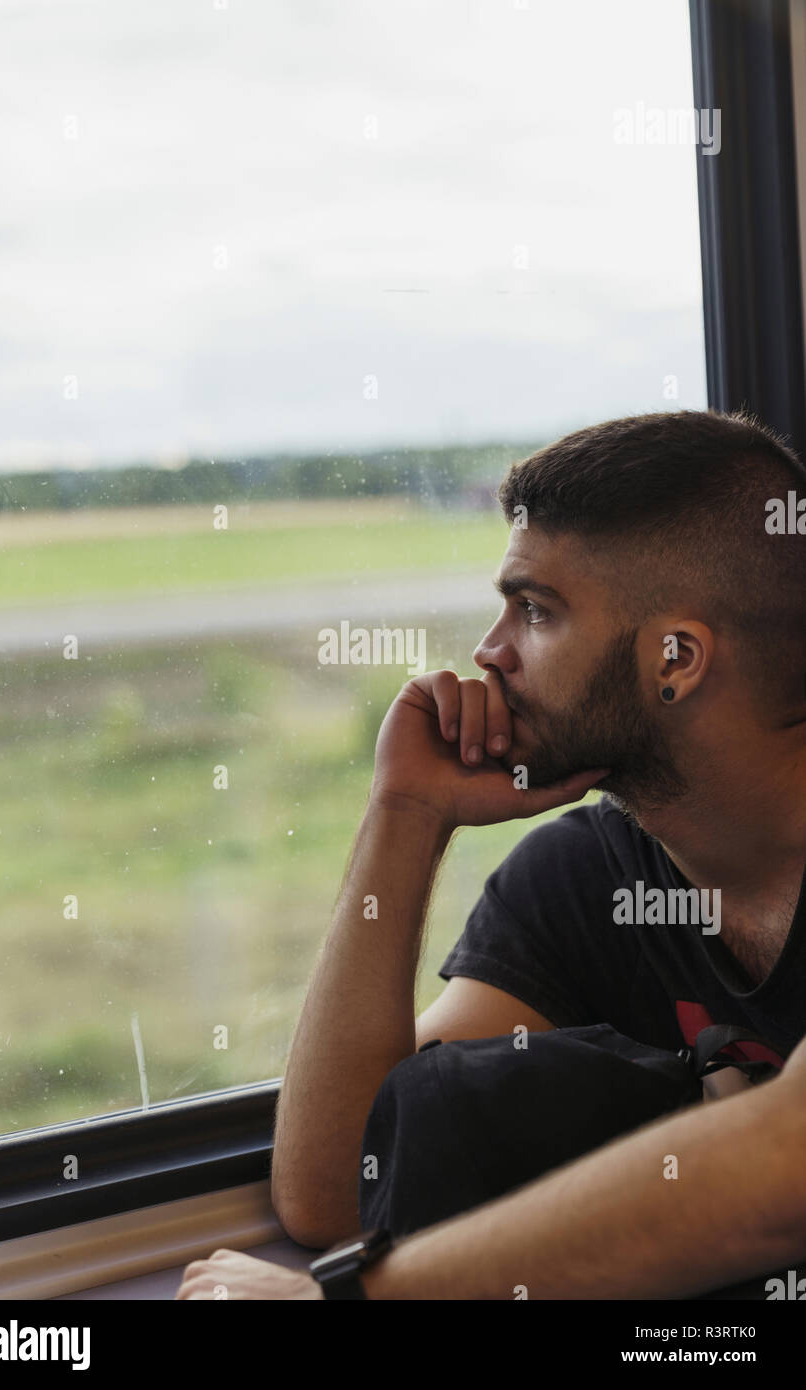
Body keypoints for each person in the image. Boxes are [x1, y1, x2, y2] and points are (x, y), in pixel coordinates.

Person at [177, 409, 806, 1300]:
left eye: (535, 610)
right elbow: (339, 1191)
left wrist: (342, 1303)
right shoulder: (589, 875)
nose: (489, 651)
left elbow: (785, 1161)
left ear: (676, 658)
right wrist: (405, 812)